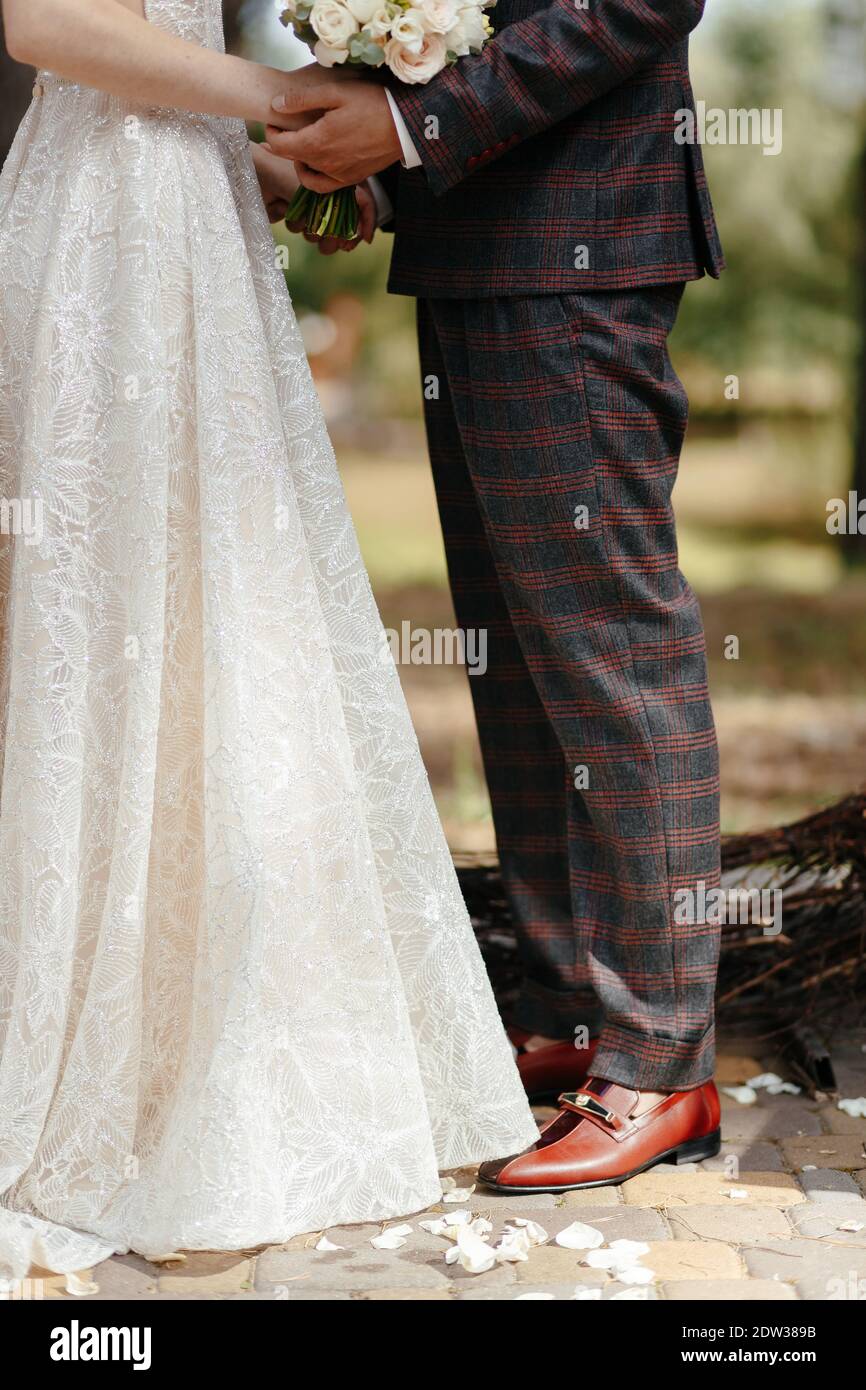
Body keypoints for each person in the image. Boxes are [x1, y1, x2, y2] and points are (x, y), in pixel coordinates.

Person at [0, 0, 538, 1283]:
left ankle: (214, 1020)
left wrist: (276, 157)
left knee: (218, 614)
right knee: (105, 615)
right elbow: (42, 24)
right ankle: (93, 1027)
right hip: (103, 239)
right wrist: (278, 98)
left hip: (195, 215)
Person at [267, 0, 725, 1191]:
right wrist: (382, 174)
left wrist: (412, 125)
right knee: (520, 661)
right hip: (473, 240)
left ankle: (660, 1061)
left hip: (579, 241)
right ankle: (575, 1009)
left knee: (613, 653)